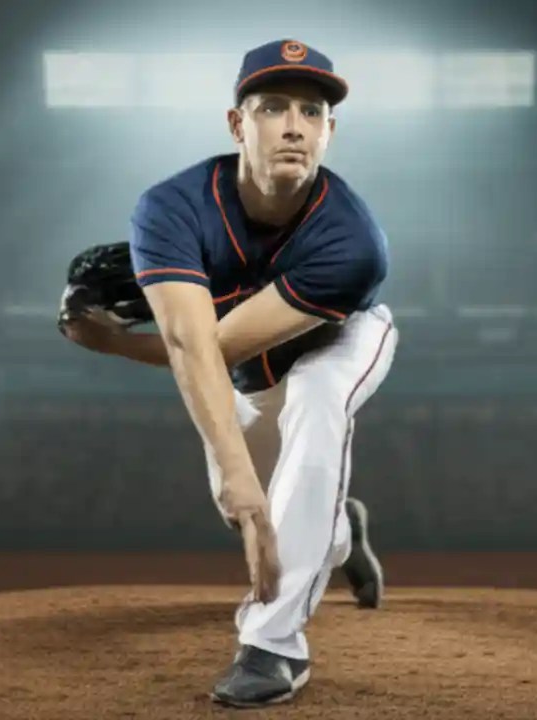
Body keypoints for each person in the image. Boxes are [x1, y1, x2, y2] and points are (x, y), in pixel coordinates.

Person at [62, 38, 398, 708]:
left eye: (312, 111)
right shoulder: (170, 209)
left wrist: (117, 345)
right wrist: (107, 340)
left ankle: (274, 647)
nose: (295, 124)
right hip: (246, 377)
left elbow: (214, 347)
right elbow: (196, 347)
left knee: (316, 395)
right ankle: (340, 533)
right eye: (272, 107)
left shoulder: (353, 241)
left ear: (330, 131)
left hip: (344, 342)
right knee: (271, 506)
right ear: (237, 123)